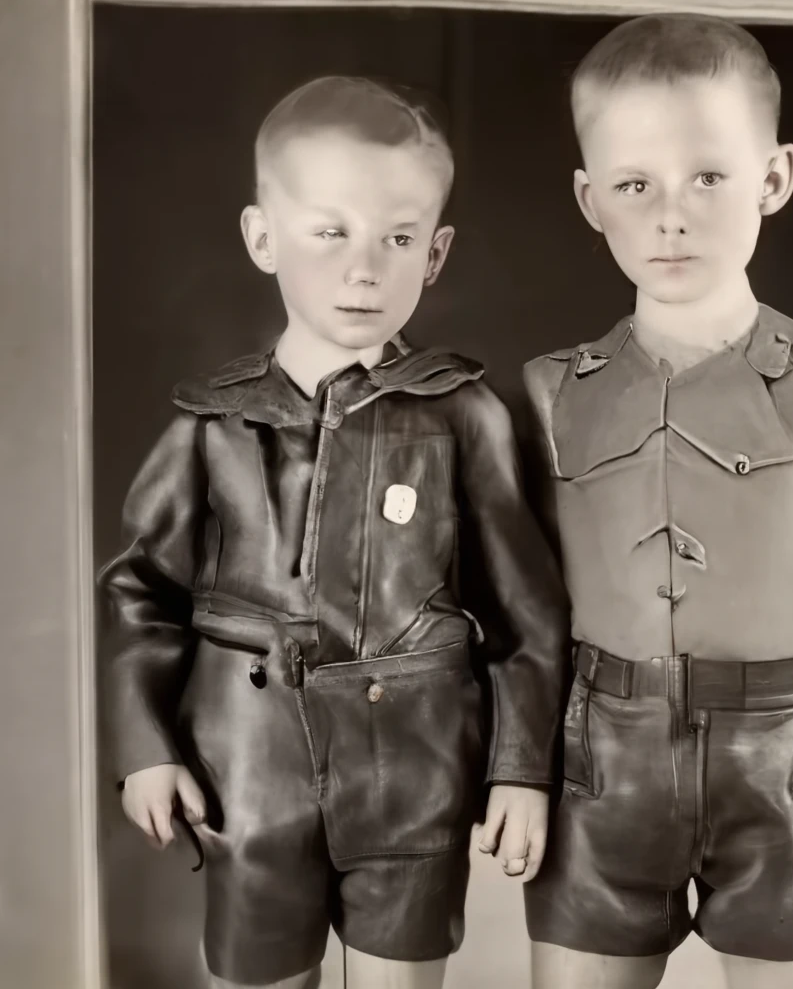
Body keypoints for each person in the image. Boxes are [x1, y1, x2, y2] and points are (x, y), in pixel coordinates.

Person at [99, 75, 568, 989]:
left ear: (435, 254)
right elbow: (138, 592)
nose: (365, 267)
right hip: (250, 765)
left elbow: (526, 616)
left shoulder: (465, 414)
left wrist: (522, 770)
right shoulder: (212, 423)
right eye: (331, 231)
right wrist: (145, 750)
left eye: (398, 238)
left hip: (417, 771)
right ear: (262, 237)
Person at [522, 14, 793, 989]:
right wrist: (513, 779)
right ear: (590, 200)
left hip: (787, 763)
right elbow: (523, 621)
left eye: (707, 176)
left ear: (773, 179)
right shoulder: (550, 392)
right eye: (634, 185)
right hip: (601, 765)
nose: (671, 215)